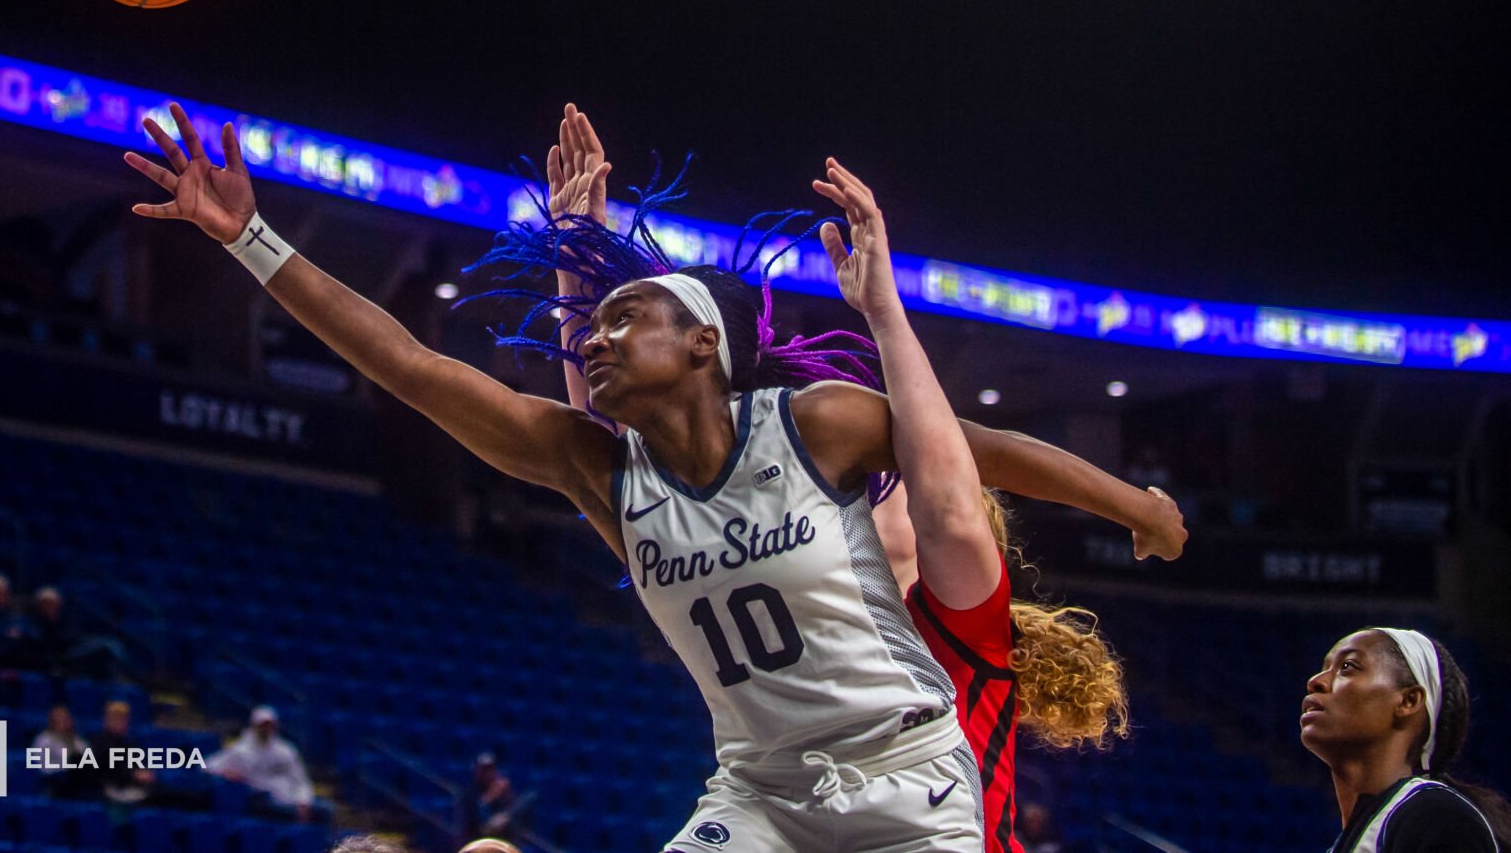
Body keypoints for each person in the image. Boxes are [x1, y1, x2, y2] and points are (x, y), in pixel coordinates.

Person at [125, 102, 1180, 853]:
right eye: (596, 323)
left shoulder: (814, 422)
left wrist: (1137, 504)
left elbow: (980, 454)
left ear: (702, 348)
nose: (595, 336)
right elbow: (410, 364)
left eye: (630, 317)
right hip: (761, 794)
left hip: (910, 783)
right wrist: (248, 238)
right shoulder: (596, 469)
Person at [816, 163, 1131, 853]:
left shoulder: (959, 618)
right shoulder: (820, 617)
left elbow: (953, 491)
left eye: (888, 487)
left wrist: (881, 309)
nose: (871, 495)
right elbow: (639, 499)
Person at [1302, 627, 1510, 851]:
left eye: (1347, 667)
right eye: (1323, 668)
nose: (1316, 681)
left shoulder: (1437, 817)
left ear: (1408, 701)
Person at [206, 705, 319, 822]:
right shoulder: (241, 750)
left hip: (289, 797)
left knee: (324, 810)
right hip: (261, 799)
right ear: (254, 726)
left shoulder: (286, 750)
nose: (266, 729)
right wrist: (224, 772)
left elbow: (300, 779)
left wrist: (303, 801)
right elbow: (209, 764)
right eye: (263, 725)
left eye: (270, 725)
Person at [31, 704, 91, 799]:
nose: (63, 723)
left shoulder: (79, 742)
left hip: (76, 784)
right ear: (52, 721)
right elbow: (40, 767)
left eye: (66, 719)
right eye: (59, 719)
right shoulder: (43, 740)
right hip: (51, 783)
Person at [460, 751, 519, 843]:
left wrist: (507, 795)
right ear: (477, 771)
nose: (487, 774)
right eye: (484, 770)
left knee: (529, 798)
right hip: (478, 840)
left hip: (502, 840)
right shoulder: (470, 792)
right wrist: (488, 799)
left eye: (490, 769)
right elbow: (472, 821)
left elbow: (511, 812)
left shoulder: (502, 789)